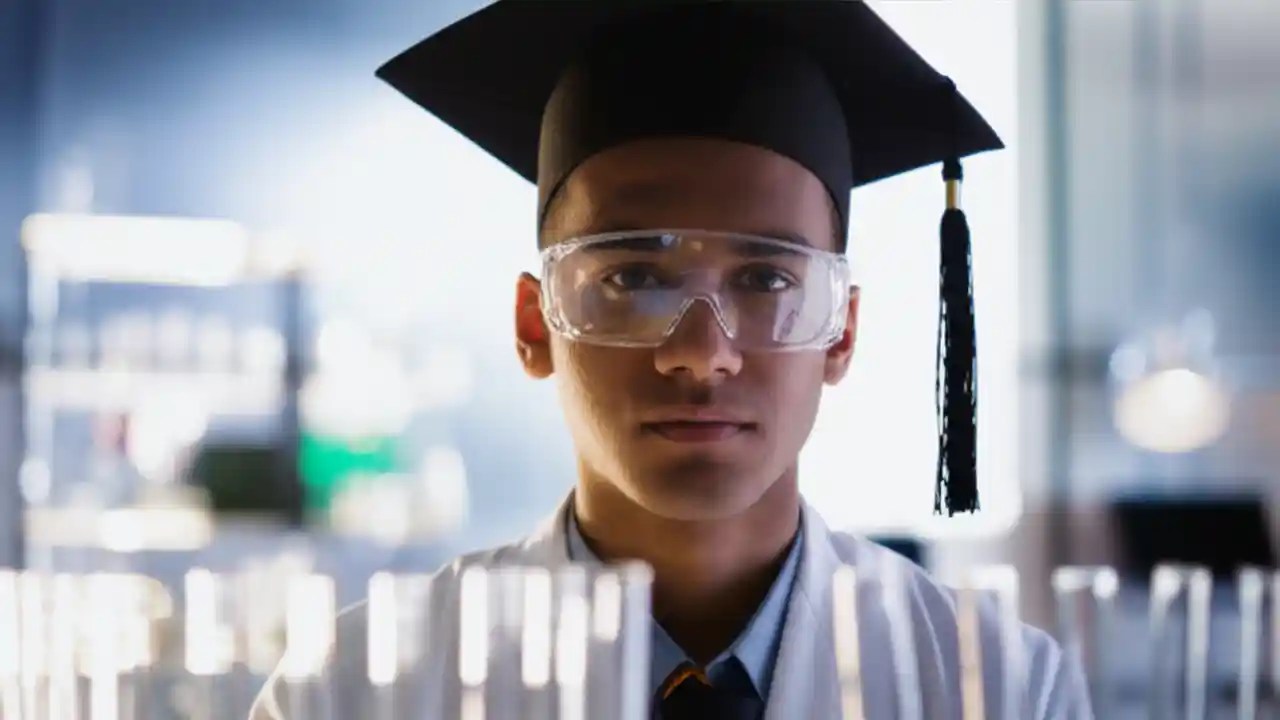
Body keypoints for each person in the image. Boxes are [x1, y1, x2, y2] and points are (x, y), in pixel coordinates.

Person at [252, 1, 1093, 718]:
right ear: (535, 323)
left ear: (841, 334)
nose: (701, 355)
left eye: (765, 278)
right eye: (632, 277)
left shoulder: (1000, 692)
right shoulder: (360, 691)